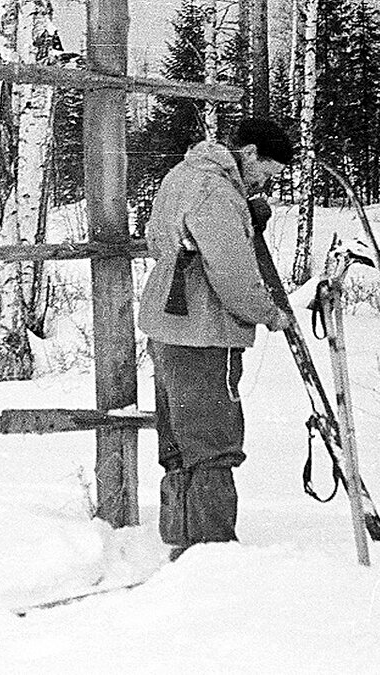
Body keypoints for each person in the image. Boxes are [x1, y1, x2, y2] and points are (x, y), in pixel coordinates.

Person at [138, 118, 295, 561]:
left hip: (167, 328)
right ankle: (213, 553)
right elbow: (232, 274)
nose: (268, 182)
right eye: (268, 170)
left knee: (178, 440)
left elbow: (158, 240)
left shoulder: (183, 176)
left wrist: (244, 216)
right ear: (247, 153)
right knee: (213, 440)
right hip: (204, 333)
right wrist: (270, 314)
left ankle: (182, 542)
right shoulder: (219, 193)